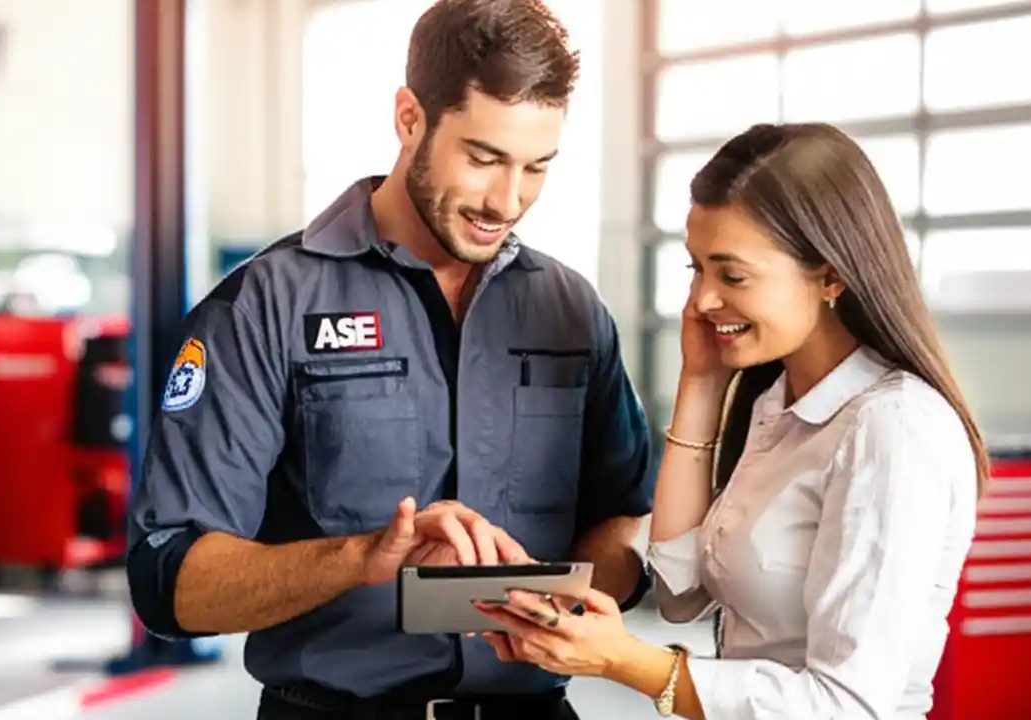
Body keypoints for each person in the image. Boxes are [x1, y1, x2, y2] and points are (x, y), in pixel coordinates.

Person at [124, 1, 656, 718]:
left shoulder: (571, 310)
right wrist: (361, 558)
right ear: (410, 119)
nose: (508, 201)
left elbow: (626, 515)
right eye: (484, 157)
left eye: (537, 167)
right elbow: (169, 578)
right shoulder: (265, 306)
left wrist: (566, 602)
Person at [473, 122, 990, 719]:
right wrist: (700, 381)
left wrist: (623, 662)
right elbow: (681, 591)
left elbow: (846, 705)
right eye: (697, 270)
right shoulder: (780, 405)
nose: (703, 301)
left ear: (830, 275)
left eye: (732, 275)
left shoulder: (893, 428)